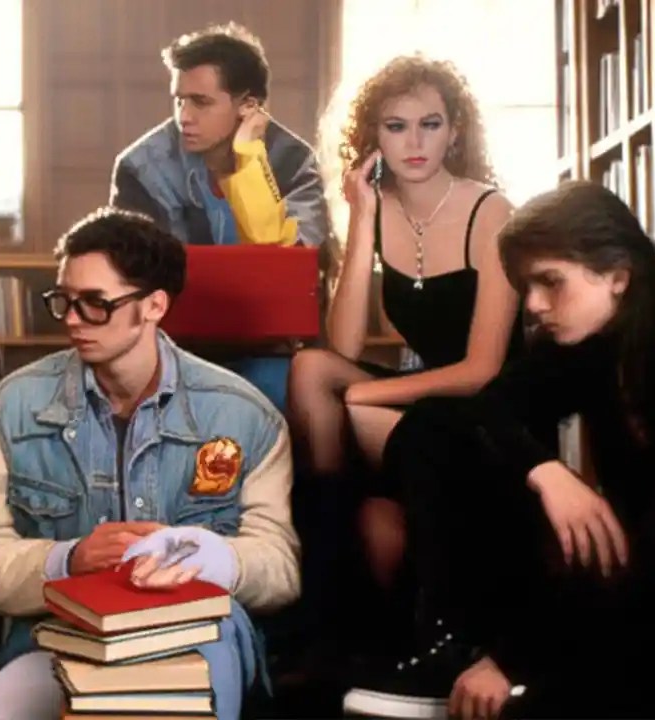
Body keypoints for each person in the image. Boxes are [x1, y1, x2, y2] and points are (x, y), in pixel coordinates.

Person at [355, 180, 655, 719]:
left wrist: (515, 657)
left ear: (617, 275)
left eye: (549, 283)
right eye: (526, 286)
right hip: (641, 591)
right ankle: (459, 645)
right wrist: (548, 473)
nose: (532, 305)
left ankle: (495, 665)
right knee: (435, 428)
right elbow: (483, 411)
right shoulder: (596, 345)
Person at [0, 207, 300, 720]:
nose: (72, 319)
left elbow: (281, 570)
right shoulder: (11, 408)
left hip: (200, 634)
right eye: (64, 301)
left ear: (154, 305)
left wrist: (207, 557)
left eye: (95, 304)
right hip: (58, 634)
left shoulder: (245, 415)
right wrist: (66, 561)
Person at [285, 54, 524, 681]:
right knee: (312, 372)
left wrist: (368, 398)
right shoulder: (378, 207)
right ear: (372, 139)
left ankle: (328, 624)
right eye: (396, 127)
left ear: (456, 131)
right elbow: (340, 346)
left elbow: (482, 368)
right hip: (418, 407)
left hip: (488, 413)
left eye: (430, 123)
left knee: (340, 403)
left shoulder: (489, 211)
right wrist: (362, 219)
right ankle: (328, 622)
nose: (414, 143)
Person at [110, 22, 334, 411]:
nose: (185, 116)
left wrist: (248, 161)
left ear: (248, 106)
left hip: (275, 350)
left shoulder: (292, 161)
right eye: (179, 100)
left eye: (201, 101)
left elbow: (291, 265)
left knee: (278, 396)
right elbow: (136, 275)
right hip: (174, 348)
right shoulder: (141, 166)